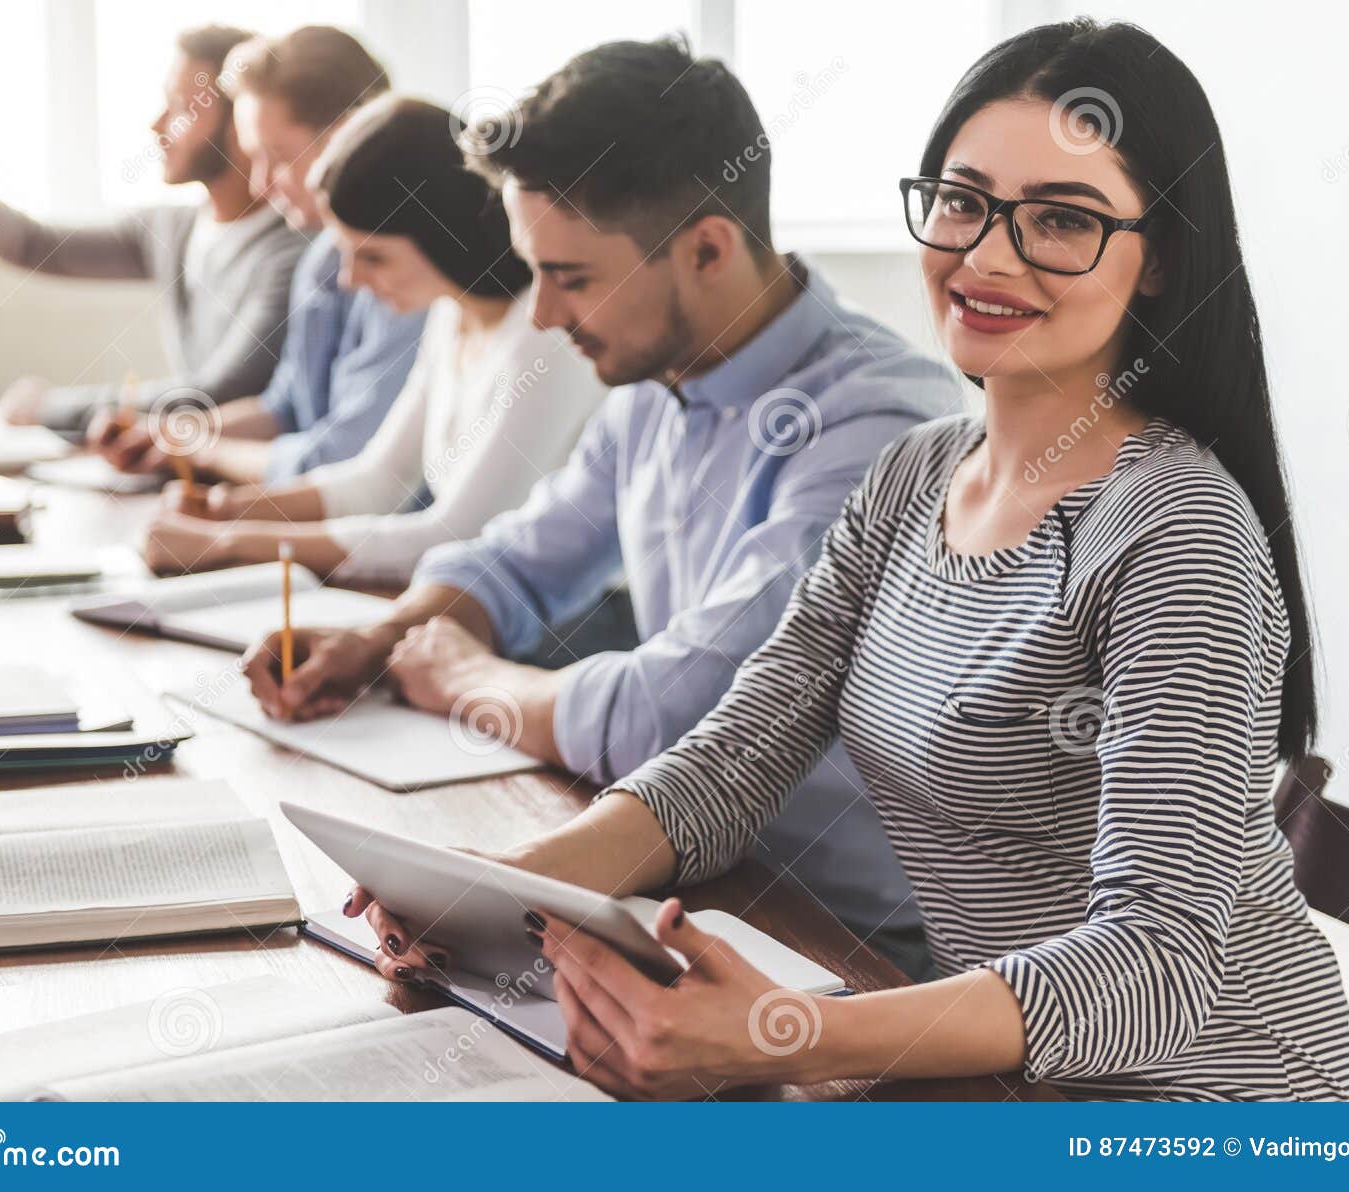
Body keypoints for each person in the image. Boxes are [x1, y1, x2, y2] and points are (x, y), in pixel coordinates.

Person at [336, 20, 1349, 1102]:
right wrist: (486, 892)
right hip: (1005, 1081)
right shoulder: (911, 477)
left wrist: (784, 1035)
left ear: (1156, 256)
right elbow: (726, 767)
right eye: (964, 201)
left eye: (1060, 220)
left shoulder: (1176, 532)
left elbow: (1155, 964)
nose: (986, 257)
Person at [244, 38, 963, 975]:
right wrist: (379, 643)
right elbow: (513, 558)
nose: (540, 314)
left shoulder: (878, 422)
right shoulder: (649, 382)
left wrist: (471, 682)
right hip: (687, 878)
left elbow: (680, 711)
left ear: (707, 248)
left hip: (857, 943)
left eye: (571, 278)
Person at [142, 96, 605, 585]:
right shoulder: (450, 315)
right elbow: (380, 480)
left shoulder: (543, 336)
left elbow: (454, 535)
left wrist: (228, 544)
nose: (349, 280)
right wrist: (225, 511)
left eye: (374, 257)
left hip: (567, 621)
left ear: (441, 234)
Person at [0, 25, 306, 433]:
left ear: (239, 123)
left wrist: (49, 408)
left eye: (178, 107)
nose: (156, 125)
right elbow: (31, 243)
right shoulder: (170, 229)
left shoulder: (289, 252)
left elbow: (217, 393)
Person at [93, 26, 427, 485]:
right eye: (255, 158)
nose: (260, 185)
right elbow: (284, 406)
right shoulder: (321, 261)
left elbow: (340, 458)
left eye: (280, 157)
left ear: (351, 137)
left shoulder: (416, 276)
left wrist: (204, 451)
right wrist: (176, 433)